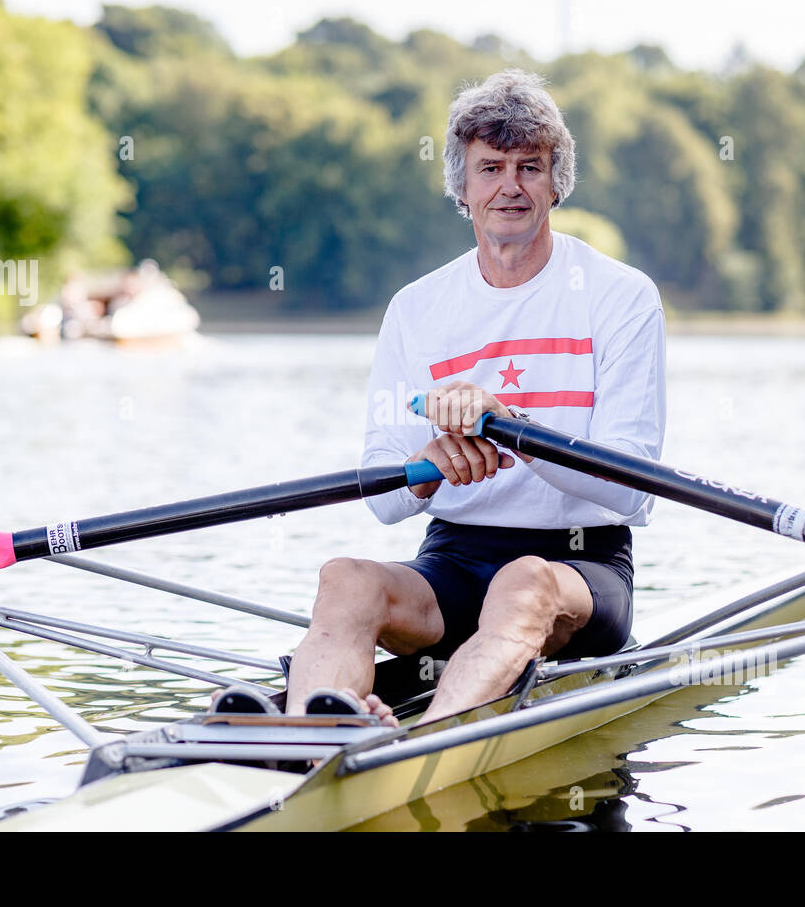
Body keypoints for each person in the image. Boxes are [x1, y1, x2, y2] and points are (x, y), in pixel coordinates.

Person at [218, 69, 666, 726]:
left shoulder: (621, 296)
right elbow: (382, 498)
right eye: (490, 168)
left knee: (522, 585)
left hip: (578, 563)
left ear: (556, 183)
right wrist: (428, 465)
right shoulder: (418, 309)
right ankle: (312, 730)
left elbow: (634, 490)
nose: (509, 186)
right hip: (453, 561)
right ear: (462, 186)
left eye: (530, 167)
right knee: (345, 578)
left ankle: (418, 744)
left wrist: (514, 431)